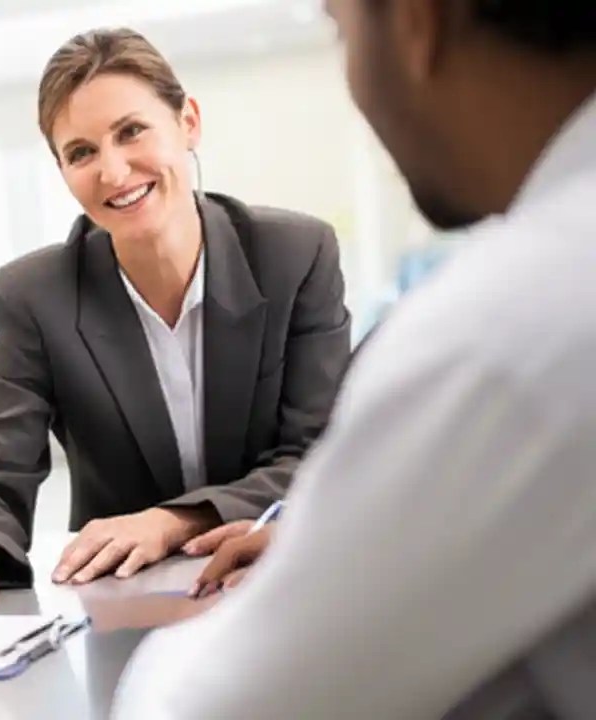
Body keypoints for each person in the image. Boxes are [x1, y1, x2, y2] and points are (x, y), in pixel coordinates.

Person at [113, 0, 596, 717]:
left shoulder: (509, 322)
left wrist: (323, 565)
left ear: (416, 21)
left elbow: (212, 708)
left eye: (341, 29)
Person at [0, 27, 352, 630]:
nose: (113, 170)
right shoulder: (37, 295)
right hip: (127, 617)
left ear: (188, 123)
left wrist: (172, 521)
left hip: (281, 596)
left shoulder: (295, 255)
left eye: (132, 131)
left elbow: (318, 456)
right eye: (81, 152)